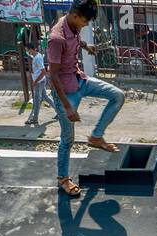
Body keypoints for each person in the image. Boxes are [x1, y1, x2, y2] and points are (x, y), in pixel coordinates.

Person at [49, 0, 125, 197]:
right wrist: (67, 107)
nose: (85, 25)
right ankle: (63, 179)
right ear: (75, 15)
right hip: (65, 92)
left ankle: (96, 137)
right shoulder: (56, 38)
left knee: (118, 96)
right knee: (68, 138)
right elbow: (53, 76)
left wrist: (85, 45)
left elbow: (73, 41)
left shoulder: (72, 26)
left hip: (79, 80)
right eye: (84, 21)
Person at [24, 40, 55, 127]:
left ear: (31, 49)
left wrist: (35, 81)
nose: (27, 52)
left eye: (27, 50)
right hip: (41, 81)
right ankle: (59, 112)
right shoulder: (37, 56)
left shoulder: (37, 58)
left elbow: (43, 71)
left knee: (37, 101)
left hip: (39, 82)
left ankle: (35, 119)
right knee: (45, 97)